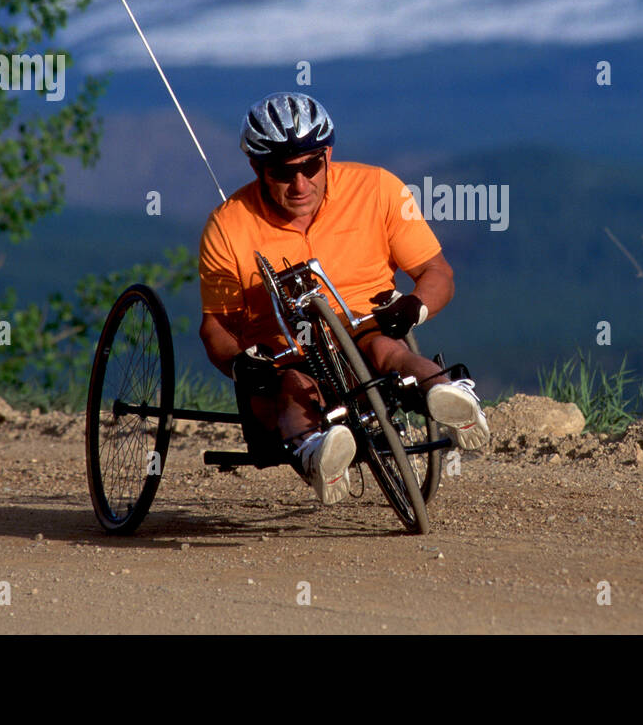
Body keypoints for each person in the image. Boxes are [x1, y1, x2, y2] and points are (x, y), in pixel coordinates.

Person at [197, 92, 490, 504]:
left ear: (327, 154)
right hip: (286, 353)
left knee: (386, 348)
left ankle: (447, 394)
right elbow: (216, 325)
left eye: (311, 166)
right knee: (296, 383)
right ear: (257, 168)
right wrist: (239, 363)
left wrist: (414, 306)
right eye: (283, 172)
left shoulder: (377, 189)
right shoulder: (228, 225)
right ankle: (320, 452)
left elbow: (436, 272)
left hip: (366, 331)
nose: (300, 184)